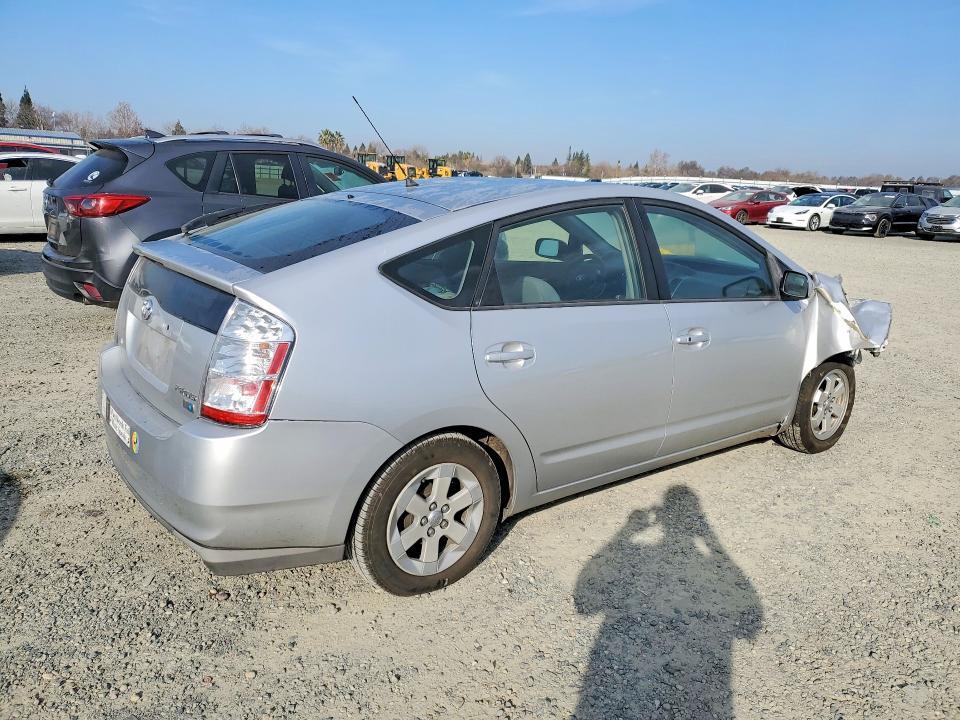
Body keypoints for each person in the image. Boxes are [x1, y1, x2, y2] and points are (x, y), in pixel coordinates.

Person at [574, 485, 762, 719]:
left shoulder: (641, 552)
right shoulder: (701, 563)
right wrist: (708, 537)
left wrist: (628, 530)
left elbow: (584, 603)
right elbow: (750, 623)